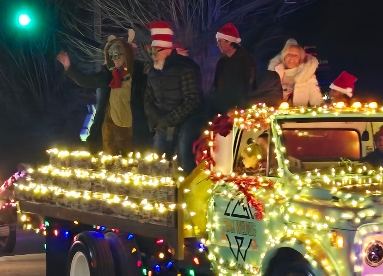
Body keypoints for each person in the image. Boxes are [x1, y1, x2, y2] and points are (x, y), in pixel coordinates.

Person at [56, 33, 150, 155]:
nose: (115, 58)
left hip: (133, 127)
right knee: (110, 160)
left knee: (131, 163)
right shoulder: (109, 75)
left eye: (117, 55)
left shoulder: (139, 74)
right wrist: (69, 68)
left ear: (126, 55)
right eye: (112, 56)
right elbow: (87, 80)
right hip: (110, 125)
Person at [143, 21, 204, 171]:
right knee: (158, 159)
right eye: (151, 52)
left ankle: (188, 182)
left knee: (184, 150)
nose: (153, 56)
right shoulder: (153, 72)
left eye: (156, 51)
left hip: (188, 120)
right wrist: (156, 118)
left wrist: (170, 119)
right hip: (164, 122)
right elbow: (148, 99)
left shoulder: (186, 68)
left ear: (168, 50)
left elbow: (193, 100)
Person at [207, 23, 257, 116]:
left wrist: (241, 107)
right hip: (222, 109)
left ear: (229, 42)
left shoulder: (246, 60)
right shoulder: (221, 62)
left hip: (241, 110)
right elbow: (217, 87)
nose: (218, 44)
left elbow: (250, 86)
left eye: (220, 41)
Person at [268, 39, 323, 107]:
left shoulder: (307, 74)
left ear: (300, 59)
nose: (292, 57)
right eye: (289, 54)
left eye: (296, 55)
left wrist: (319, 108)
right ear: (284, 57)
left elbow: (315, 95)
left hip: (298, 115)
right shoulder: (274, 73)